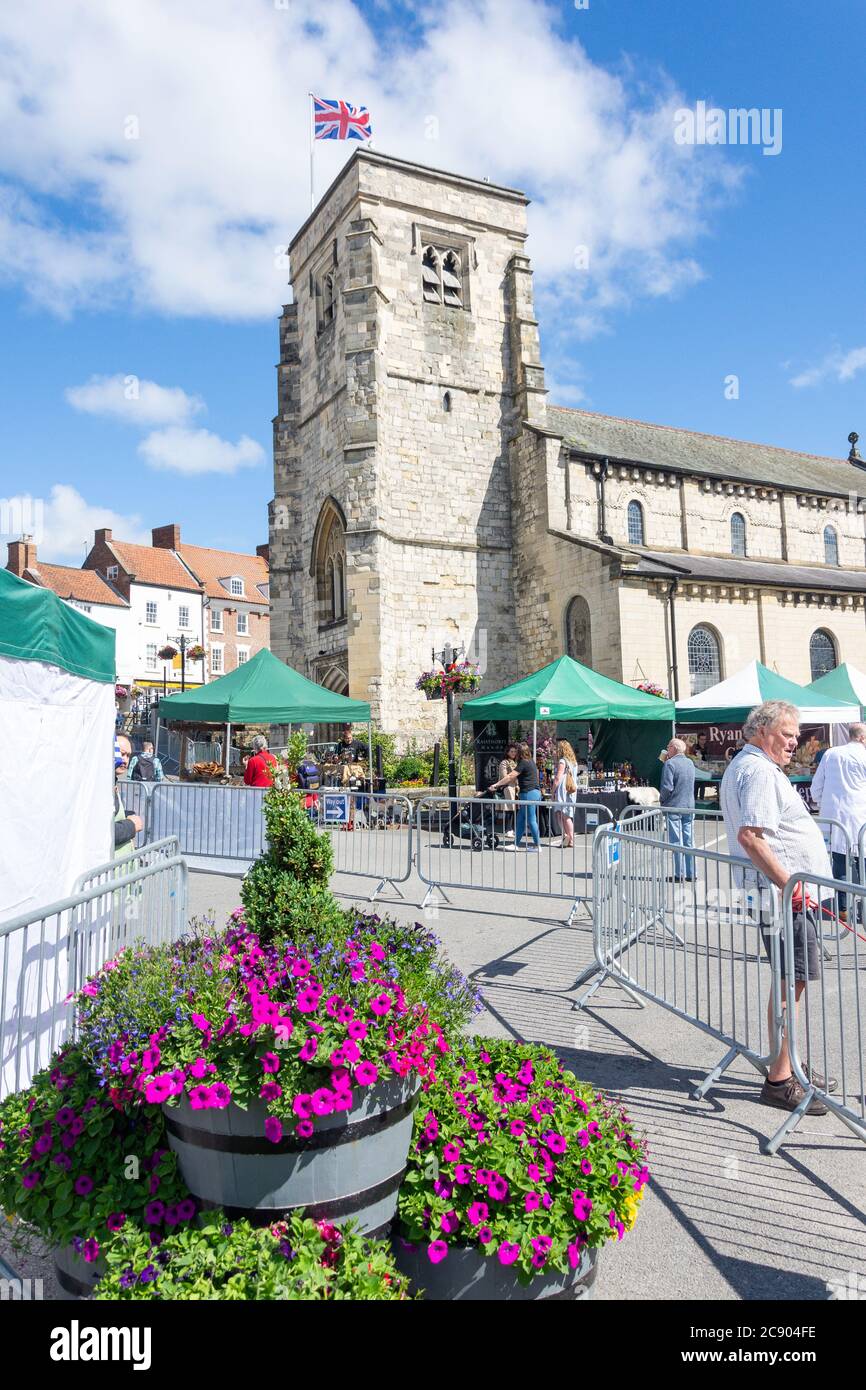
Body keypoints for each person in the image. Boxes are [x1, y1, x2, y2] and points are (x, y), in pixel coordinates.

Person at [720, 700, 833, 1117]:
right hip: (782, 899)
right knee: (793, 982)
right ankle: (780, 1080)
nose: (794, 742)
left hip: (779, 897)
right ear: (762, 731)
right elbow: (752, 837)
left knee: (790, 980)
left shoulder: (751, 766)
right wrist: (789, 885)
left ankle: (789, 1065)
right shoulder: (759, 771)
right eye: (788, 735)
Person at [809, 723, 866, 919]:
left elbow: (817, 785)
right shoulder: (863, 755)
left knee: (840, 863)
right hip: (860, 816)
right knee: (864, 861)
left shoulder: (831, 754)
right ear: (862, 738)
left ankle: (842, 908)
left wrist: (821, 802)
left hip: (835, 817)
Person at [489, 741, 541, 851]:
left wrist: (496, 784)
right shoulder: (530, 761)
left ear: (519, 752)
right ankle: (516, 844)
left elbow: (510, 776)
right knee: (521, 819)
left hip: (528, 793)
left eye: (516, 751)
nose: (514, 754)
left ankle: (537, 846)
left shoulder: (523, 762)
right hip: (532, 792)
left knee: (531, 820)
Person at [660, 737, 696, 880]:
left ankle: (679, 874)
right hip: (689, 805)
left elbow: (667, 787)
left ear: (674, 748)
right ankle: (691, 873)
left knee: (676, 841)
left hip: (674, 805)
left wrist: (662, 800)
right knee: (689, 841)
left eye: (668, 747)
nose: (667, 749)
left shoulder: (670, 764)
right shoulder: (690, 762)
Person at [114, 735, 144, 858]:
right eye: (122, 754)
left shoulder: (111, 782)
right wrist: (131, 825)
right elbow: (101, 833)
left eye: (128, 755)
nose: (125, 760)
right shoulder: (100, 786)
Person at [551, 739, 579, 849]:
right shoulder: (574, 762)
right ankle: (567, 837)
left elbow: (558, 778)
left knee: (564, 815)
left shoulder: (563, 761)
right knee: (564, 814)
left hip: (563, 791)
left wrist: (552, 791)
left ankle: (569, 838)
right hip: (570, 790)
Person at [495, 744, 518, 840]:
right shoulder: (504, 763)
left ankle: (511, 829)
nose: (513, 753)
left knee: (513, 809)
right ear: (507, 752)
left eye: (515, 751)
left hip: (515, 788)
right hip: (508, 787)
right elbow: (505, 776)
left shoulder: (515, 762)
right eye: (511, 751)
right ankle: (508, 829)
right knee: (509, 809)